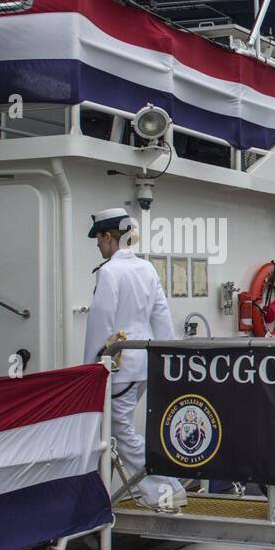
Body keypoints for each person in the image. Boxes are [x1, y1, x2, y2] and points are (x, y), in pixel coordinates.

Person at [81, 207, 185, 512]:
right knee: (120, 429)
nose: (98, 245)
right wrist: (167, 355)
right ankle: (119, 493)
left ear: (108, 237)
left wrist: (90, 367)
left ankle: (166, 488)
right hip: (144, 362)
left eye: (99, 238)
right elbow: (161, 315)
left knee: (120, 431)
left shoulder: (109, 272)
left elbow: (100, 323)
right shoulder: (146, 269)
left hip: (119, 366)